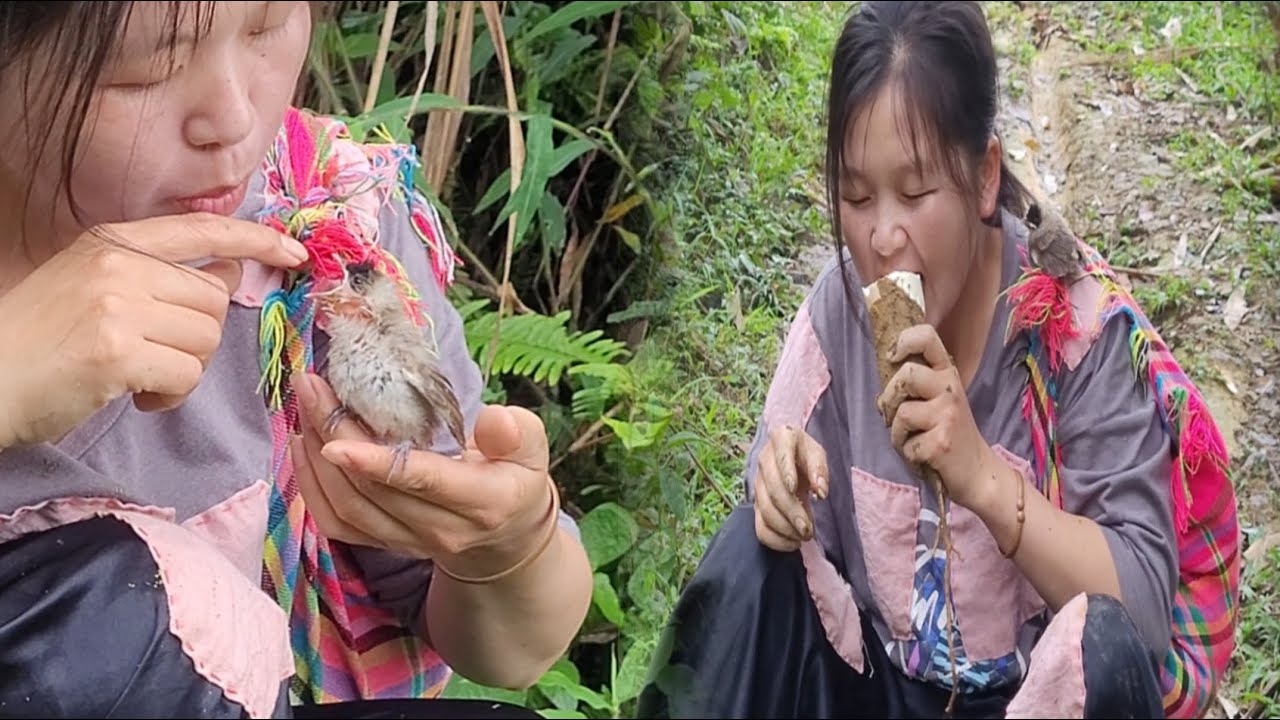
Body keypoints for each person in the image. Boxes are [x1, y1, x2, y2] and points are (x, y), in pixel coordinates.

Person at [636, 2, 1241, 719]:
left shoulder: (1075, 334)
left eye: (915, 193)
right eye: (856, 196)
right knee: (748, 551)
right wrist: (779, 489)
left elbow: (1139, 617)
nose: (882, 236)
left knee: (1104, 646)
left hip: (1033, 699)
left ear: (985, 177)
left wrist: (981, 476)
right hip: (876, 687)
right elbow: (790, 552)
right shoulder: (838, 317)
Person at [0, 2, 593, 718]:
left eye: (266, 26)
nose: (234, 119)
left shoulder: (325, 232)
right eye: (144, 67)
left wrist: (503, 549)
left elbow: (514, 650)